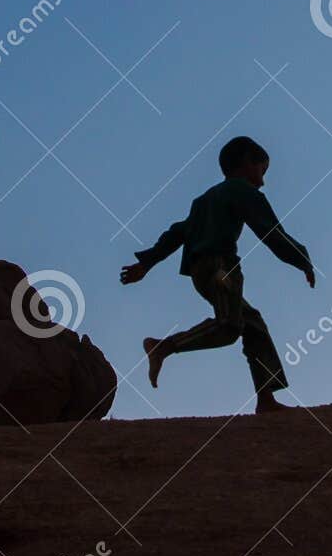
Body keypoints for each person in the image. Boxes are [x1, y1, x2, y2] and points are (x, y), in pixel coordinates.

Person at [120, 136, 314, 414]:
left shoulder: (204, 200)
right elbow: (271, 233)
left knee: (252, 324)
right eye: (262, 171)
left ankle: (266, 399)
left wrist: (147, 263)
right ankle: (162, 347)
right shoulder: (242, 191)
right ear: (247, 162)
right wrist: (302, 259)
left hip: (202, 272)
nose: (262, 182)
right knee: (229, 326)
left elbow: (178, 232)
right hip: (221, 268)